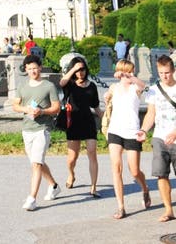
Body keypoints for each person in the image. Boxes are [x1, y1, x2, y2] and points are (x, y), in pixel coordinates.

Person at [13, 53, 61, 211]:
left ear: (40, 68)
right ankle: (53, 186)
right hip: (27, 128)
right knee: (37, 162)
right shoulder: (22, 86)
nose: (33, 71)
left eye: (35, 68)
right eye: (30, 68)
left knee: (36, 164)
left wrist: (42, 112)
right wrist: (26, 109)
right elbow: (15, 105)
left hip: (43, 129)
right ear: (25, 69)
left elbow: (56, 108)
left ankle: (32, 198)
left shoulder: (48, 86)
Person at [104, 58, 150, 219]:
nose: (125, 74)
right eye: (123, 71)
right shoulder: (114, 87)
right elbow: (107, 96)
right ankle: (121, 206)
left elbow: (144, 86)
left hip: (132, 132)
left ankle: (144, 188)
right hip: (115, 131)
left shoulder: (135, 87)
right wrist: (106, 97)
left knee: (135, 171)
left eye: (129, 71)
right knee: (116, 168)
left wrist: (130, 76)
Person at [138, 54, 176, 223]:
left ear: (173, 70)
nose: (164, 76)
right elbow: (151, 114)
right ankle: (168, 209)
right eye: (161, 73)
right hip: (160, 137)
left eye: (167, 72)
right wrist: (144, 130)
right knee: (162, 175)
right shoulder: (154, 90)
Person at [59, 57, 102, 197]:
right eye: (78, 70)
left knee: (92, 152)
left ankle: (93, 187)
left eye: (82, 69)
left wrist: (106, 119)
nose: (80, 73)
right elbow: (62, 82)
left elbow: (96, 106)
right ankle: (71, 174)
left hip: (88, 122)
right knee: (72, 157)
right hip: (73, 122)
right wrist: (73, 69)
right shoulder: (69, 84)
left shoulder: (92, 86)